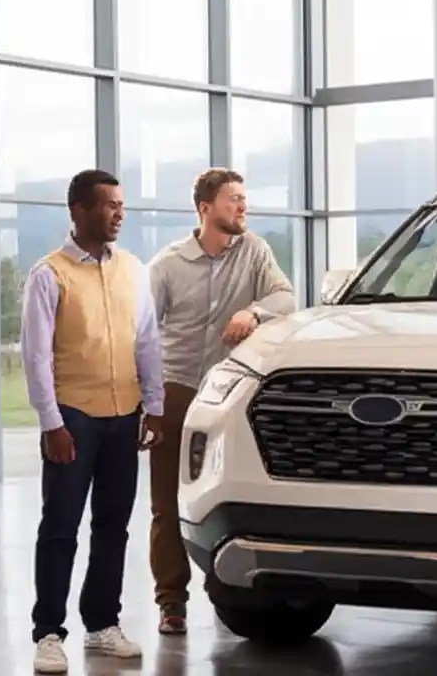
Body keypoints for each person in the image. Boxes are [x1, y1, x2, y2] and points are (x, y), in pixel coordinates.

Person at [22, 169, 165, 674]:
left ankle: (102, 623)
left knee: (113, 526)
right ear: (79, 211)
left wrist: (155, 405)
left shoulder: (134, 269)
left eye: (122, 205)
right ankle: (48, 632)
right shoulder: (49, 274)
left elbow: (146, 341)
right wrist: (51, 423)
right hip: (74, 420)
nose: (119, 214)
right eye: (109, 205)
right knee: (60, 527)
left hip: (125, 418)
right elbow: (36, 357)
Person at [146, 167, 297, 634]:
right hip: (175, 391)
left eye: (244, 198)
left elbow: (286, 297)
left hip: (227, 397)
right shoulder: (167, 265)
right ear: (205, 208)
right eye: (234, 199)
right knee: (166, 502)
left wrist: (251, 312)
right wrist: (145, 401)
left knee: (227, 492)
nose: (243, 206)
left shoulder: (254, 251)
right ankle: (171, 601)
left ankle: (233, 590)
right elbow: (144, 335)